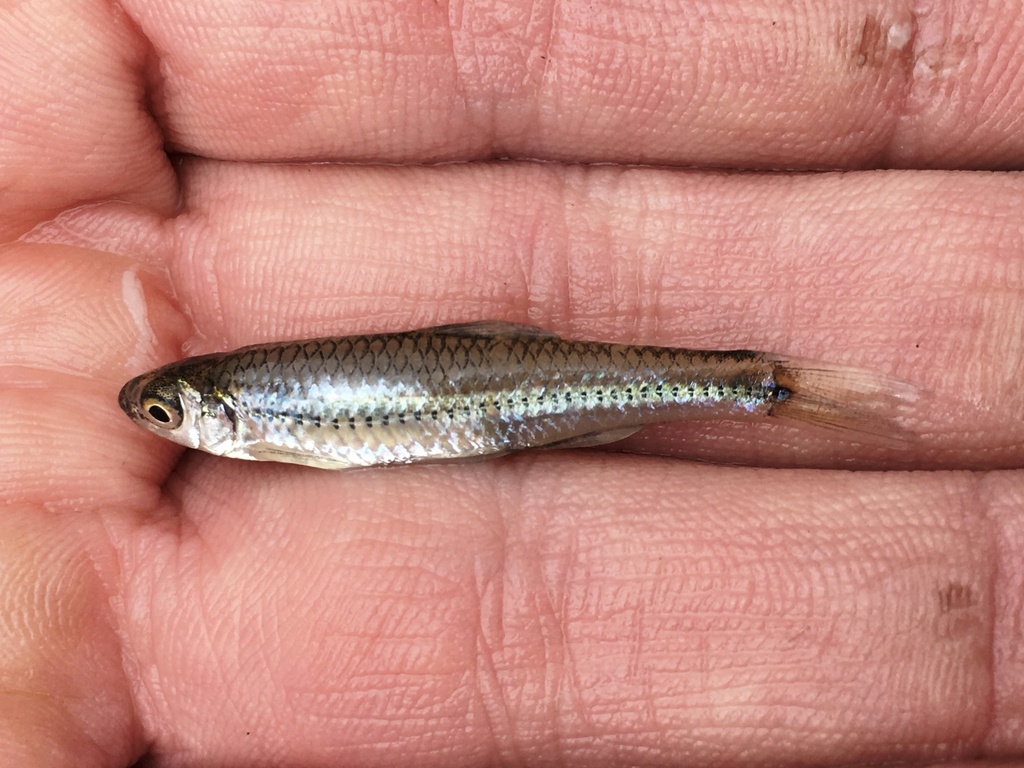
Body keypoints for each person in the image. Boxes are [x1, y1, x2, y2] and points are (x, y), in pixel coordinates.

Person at [1, 1, 1021, 765]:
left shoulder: (251, 420)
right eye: (163, 412)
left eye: (169, 411)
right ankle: (748, 382)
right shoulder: (243, 411)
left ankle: (750, 381)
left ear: (220, 409)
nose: (164, 423)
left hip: (495, 401)